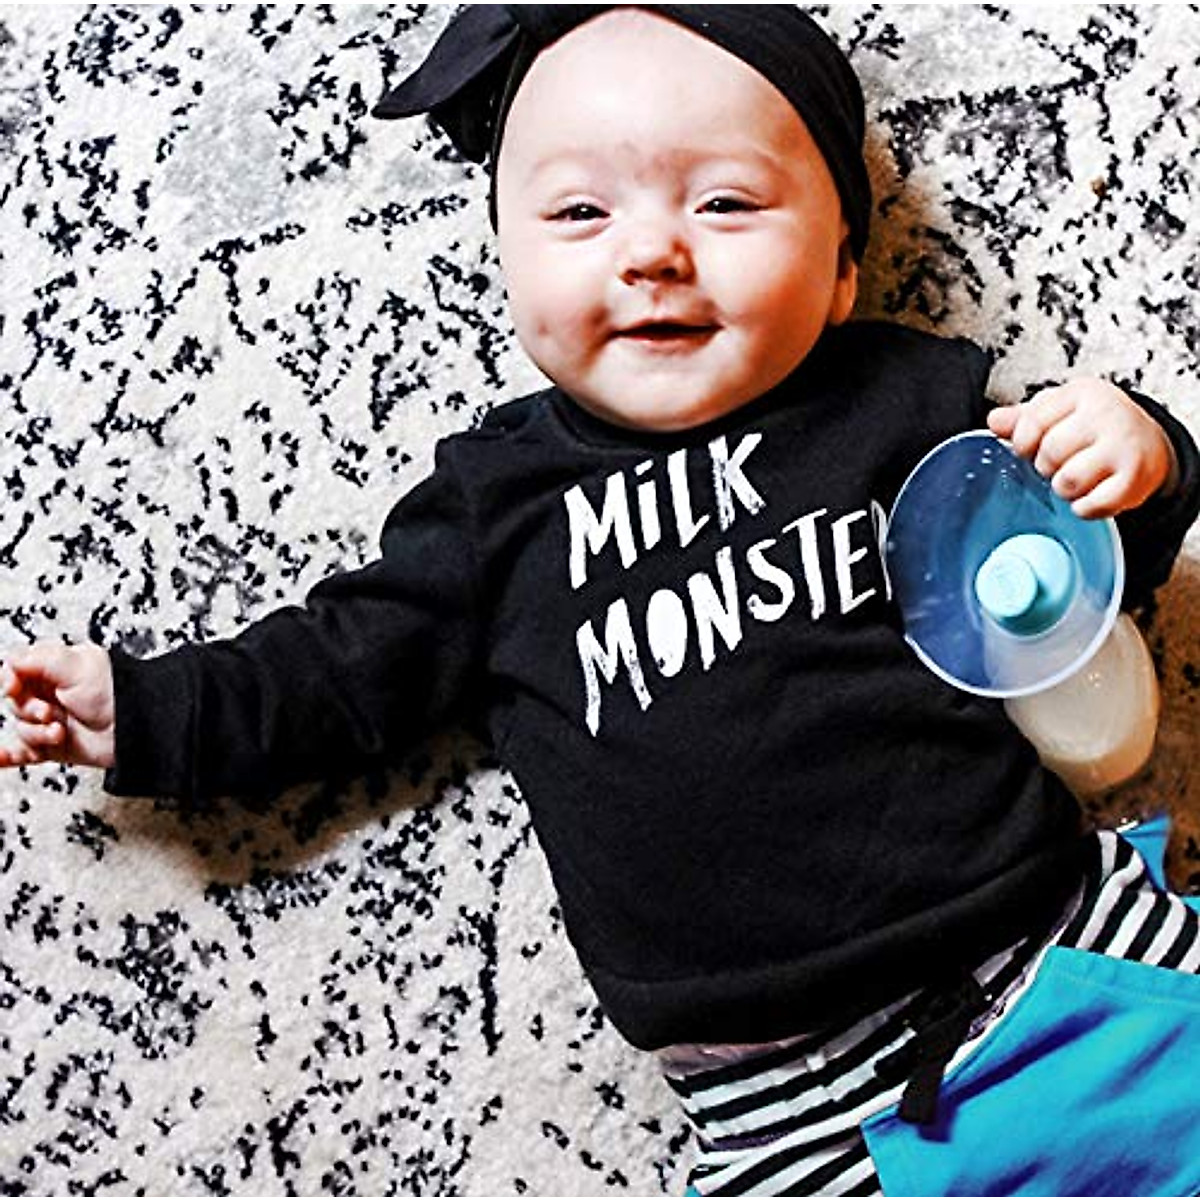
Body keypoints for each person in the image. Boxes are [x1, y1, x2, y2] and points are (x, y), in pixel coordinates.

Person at [3, 7, 1200, 1195]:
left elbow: (1067, 579)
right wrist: (145, 710)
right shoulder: (495, 507)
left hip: (1049, 967)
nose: (653, 253)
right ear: (507, 260)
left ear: (843, 267)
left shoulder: (900, 406)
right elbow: (335, 669)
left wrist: (1135, 455)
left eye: (724, 203)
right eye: (581, 213)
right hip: (785, 1116)